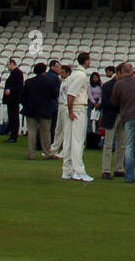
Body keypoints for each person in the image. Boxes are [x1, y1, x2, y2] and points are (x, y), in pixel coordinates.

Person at [61, 52, 92, 182]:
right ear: (85, 61)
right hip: (77, 109)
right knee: (77, 140)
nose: (90, 62)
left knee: (69, 140)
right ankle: (78, 171)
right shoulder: (80, 75)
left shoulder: (73, 74)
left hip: (73, 108)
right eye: (89, 60)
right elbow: (71, 94)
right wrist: (70, 111)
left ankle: (67, 170)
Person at [21, 62, 56, 159]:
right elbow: (54, 95)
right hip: (45, 110)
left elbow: (23, 96)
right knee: (45, 132)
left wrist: (27, 105)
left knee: (32, 132)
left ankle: (31, 154)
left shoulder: (29, 81)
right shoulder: (49, 82)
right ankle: (47, 153)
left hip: (31, 109)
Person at [99, 67, 122, 178]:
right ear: (118, 73)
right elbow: (105, 103)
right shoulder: (108, 85)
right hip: (111, 115)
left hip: (122, 115)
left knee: (121, 144)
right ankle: (106, 170)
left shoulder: (124, 85)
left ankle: (119, 168)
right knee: (108, 144)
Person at [49, 62, 70, 157]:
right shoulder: (62, 81)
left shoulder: (70, 82)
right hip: (60, 105)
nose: (60, 74)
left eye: (62, 72)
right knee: (58, 129)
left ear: (68, 73)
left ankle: (65, 151)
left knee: (66, 129)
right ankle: (53, 149)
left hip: (66, 106)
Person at [3, 58, 24, 143]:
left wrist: (10, 90)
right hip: (11, 99)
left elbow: (19, 85)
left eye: (8, 64)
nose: (7, 66)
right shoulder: (14, 73)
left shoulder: (18, 73)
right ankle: (11, 135)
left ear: (12, 64)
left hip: (14, 99)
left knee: (14, 117)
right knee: (12, 117)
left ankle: (13, 136)